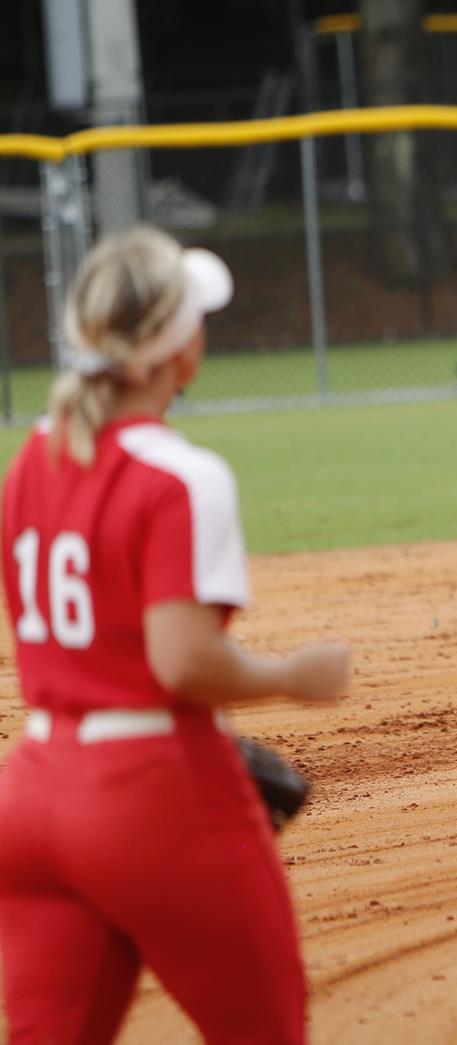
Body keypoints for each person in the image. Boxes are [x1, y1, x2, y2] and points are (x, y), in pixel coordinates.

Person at [0, 227, 352, 1044]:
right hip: (153, 793)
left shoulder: (34, 457)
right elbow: (180, 660)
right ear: (175, 353)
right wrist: (292, 675)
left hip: (32, 794)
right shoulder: (183, 476)